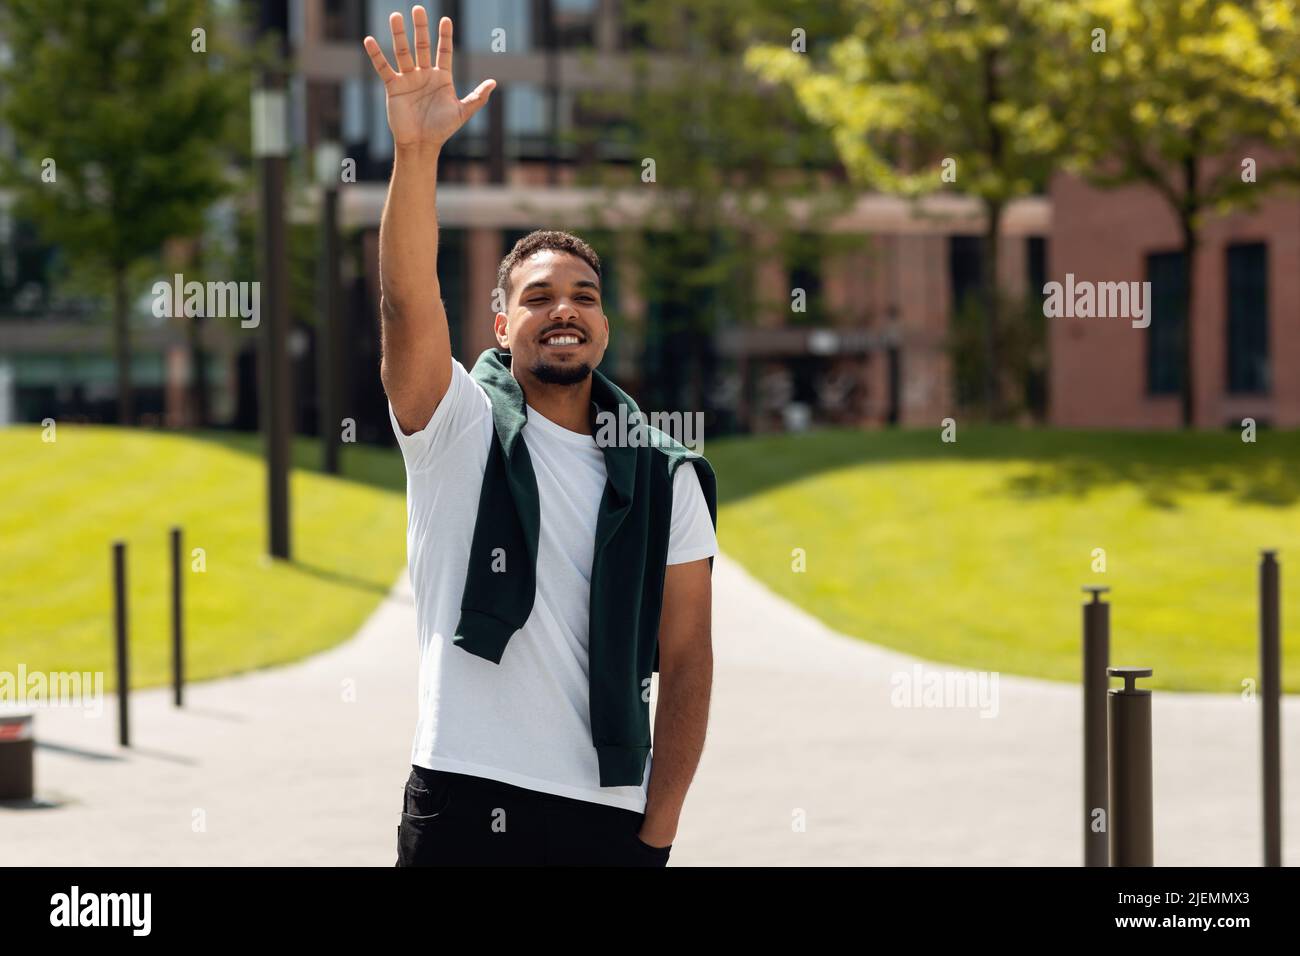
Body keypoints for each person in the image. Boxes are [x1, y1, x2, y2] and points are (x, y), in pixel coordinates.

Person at [364, 7, 718, 867]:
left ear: (605, 324)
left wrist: (657, 830)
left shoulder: (663, 473)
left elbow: (688, 657)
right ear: (498, 325)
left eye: (586, 295)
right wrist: (417, 155)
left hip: (608, 812)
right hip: (461, 792)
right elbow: (408, 306)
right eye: (538, 296)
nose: (565, 308)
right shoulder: (456, 424)